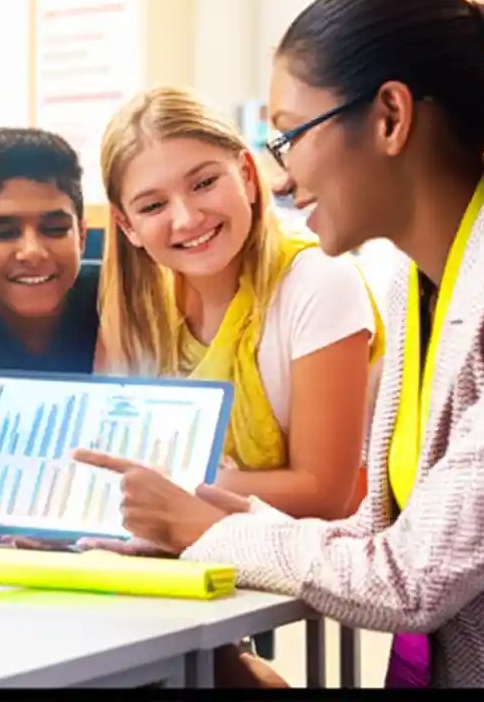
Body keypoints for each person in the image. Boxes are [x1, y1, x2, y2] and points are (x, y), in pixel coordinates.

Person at [74, 0, 484, 687]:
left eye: (290, 135)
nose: (282, 174)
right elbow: (383, 535)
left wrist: (205, 532)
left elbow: (412, 577)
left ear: (390, 118)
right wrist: (228, 518)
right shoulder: (409, 280)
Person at [97, 86, 384, 521]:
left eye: (205, 183)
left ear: (248, 175)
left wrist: (166, 486)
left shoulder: (320, 281)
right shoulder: (135, 308)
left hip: (313, 566)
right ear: (127, 225)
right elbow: (106, 467)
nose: (187, 218)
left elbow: (325, 494)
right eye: (153, 205)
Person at [0, 127, 99, 452]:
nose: (32, 251)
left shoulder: (120, 300)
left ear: (81, 236)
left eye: (54, 229)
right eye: (4, 232)